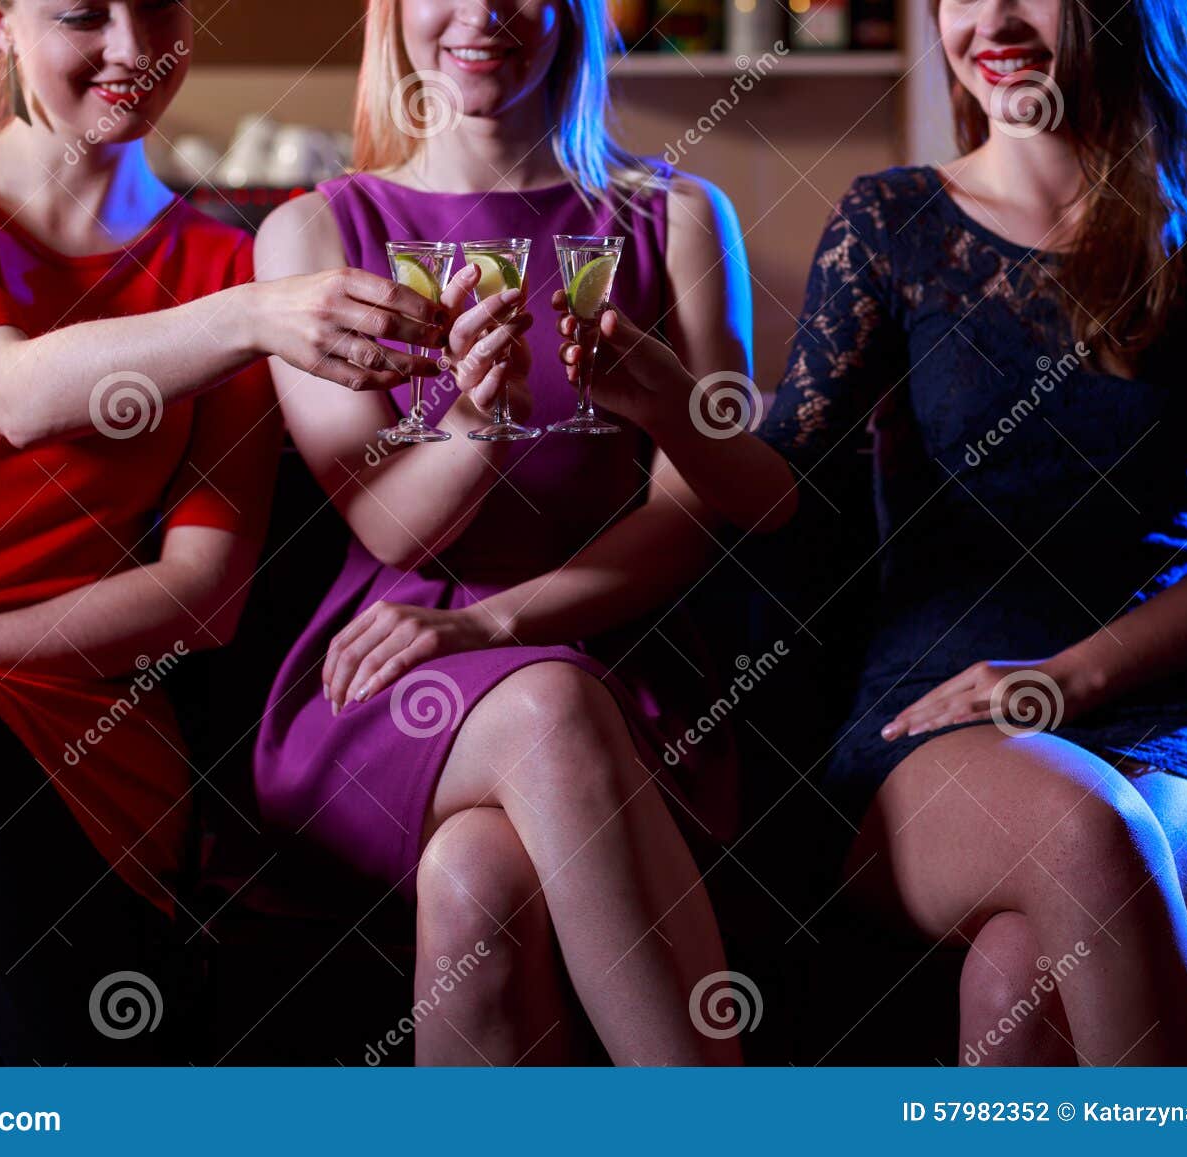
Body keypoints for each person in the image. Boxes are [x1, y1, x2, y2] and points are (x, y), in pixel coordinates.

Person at [334, 0, 1187, 1065]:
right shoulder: (890, 222)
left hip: (1157, 731)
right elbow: (783, 496)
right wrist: (675, 409)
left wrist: (1068, 679)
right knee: (1086, 830)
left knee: (1015, 978)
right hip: (934, 724)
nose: (988, 17)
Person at [0, 0, 437, 1064]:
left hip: (80, 722)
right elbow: (14, 388)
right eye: (84, 15)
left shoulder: (222, 266)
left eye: (160, 10)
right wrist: (257, 317)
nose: (134, 50)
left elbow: (201, 590)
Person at [252, 0, 754, 1065]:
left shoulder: (678, 216)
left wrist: (499, 624)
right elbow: (386, 522)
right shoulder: (311, 233)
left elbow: (692, 515)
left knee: (475, 882)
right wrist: (475, 425)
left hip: (614, 647)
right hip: (386, 666)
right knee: (548, 709)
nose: (483, 14)